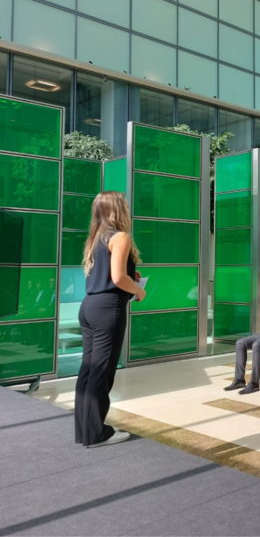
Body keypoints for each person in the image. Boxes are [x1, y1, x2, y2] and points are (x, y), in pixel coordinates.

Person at [75, 191, 146, 448]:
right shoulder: (120, 237)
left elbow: (110, 273)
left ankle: (85, 431)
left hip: (89, 306)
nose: (127, 208)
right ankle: (97, 434)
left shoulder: (95, 238)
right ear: (116, 209)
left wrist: (130, 273)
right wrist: (138, 290)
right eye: (124, 204)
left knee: (88, 370)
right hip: (108, 309)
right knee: (102, 372)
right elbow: (117, 278)